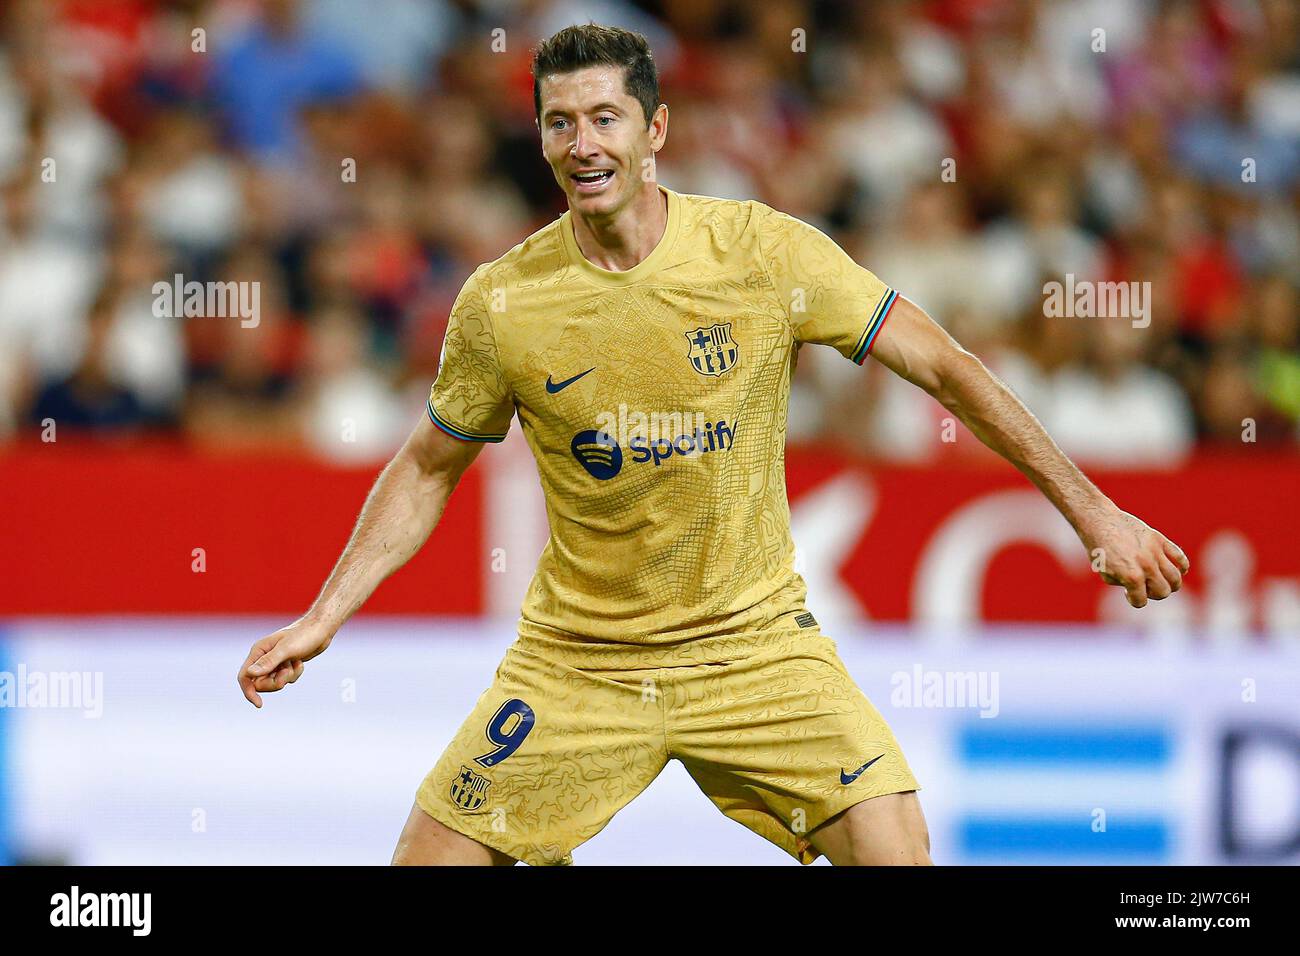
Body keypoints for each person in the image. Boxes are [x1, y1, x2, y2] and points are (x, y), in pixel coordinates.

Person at [237, 24, 1190, 866]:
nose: (582, 144)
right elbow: (427, 465)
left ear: (655, 133)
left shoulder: (765, 254)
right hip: (580, 663)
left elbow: (947, 369)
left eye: (605, 118)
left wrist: (1093, 511)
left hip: (756, 651)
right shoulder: (503, 303)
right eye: (560, 122)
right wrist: (326, 616)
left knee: (894, 845)